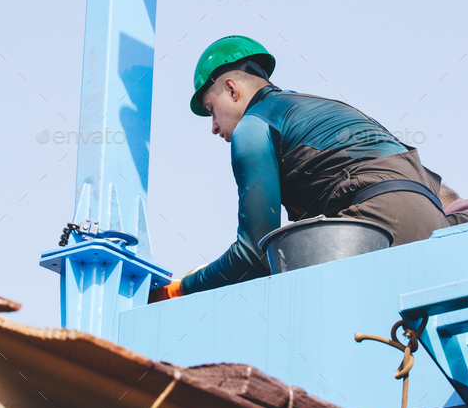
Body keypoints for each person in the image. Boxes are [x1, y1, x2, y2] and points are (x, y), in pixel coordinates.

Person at [152, 36, 449, 300]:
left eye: (210, 110)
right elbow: (423, 179)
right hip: (437, 233)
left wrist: (183, 287)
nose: (214, 127)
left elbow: (254, 253)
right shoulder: (320, 108)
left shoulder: (254, 126)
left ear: (231, 89)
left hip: (380, 229)